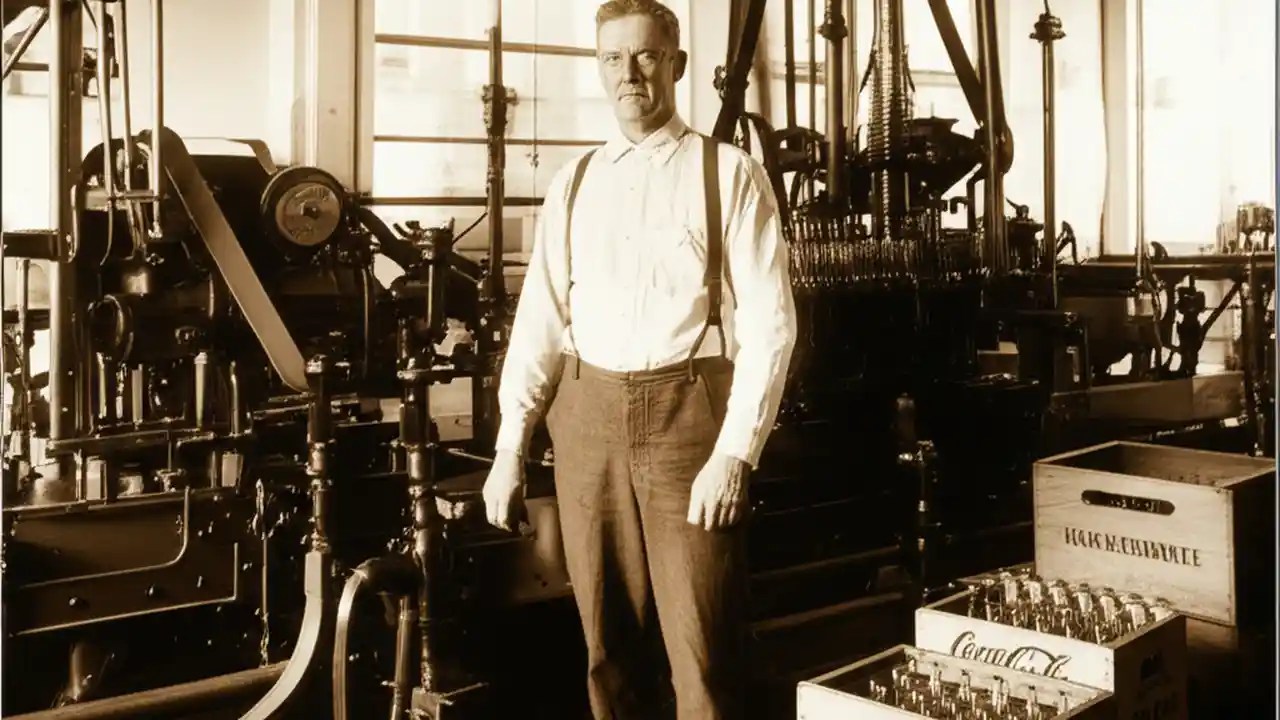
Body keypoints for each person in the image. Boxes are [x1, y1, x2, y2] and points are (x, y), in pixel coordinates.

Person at [482, 1, 797, 717]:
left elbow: (773, 328)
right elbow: (539, 323)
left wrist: (734, 454)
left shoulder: (730, 174)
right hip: (586, 417)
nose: (630, 74)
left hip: (691, 421)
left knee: (704, 654)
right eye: (612, 59)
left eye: (647, 56)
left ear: (676, 64)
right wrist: (510, 448)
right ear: (599, 68)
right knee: (607, 650)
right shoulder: (575, 183)